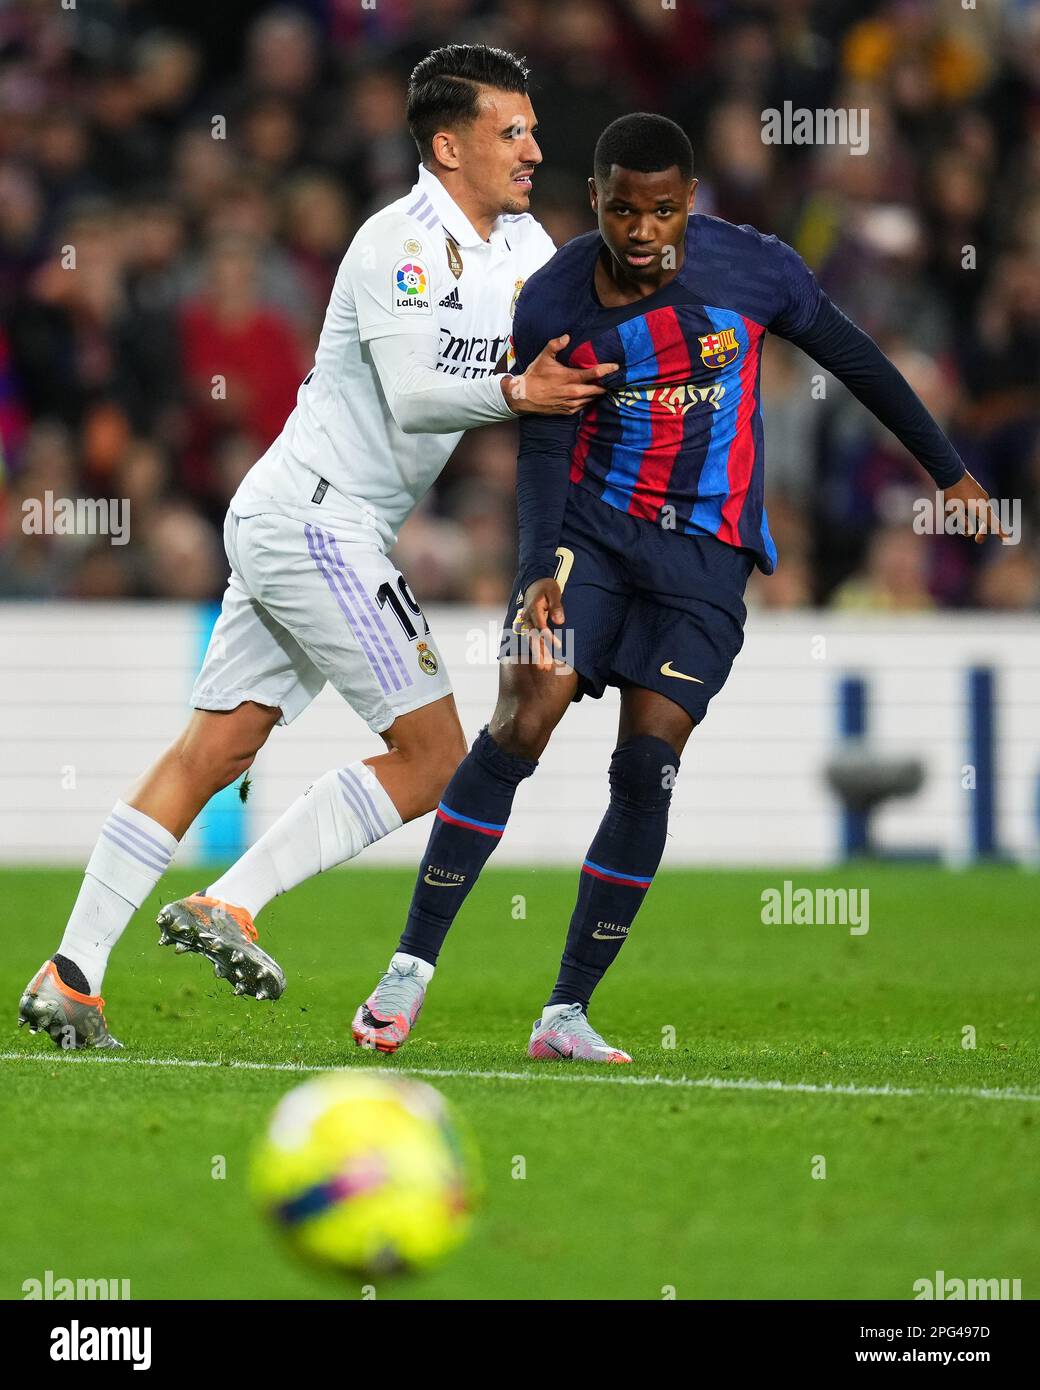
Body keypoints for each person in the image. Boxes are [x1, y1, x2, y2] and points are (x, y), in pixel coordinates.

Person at [351, 112, 1000, 1061]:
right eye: (623, 210)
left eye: (660, 210)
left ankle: (564, 1012)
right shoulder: (555, 299)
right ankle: (408, 970)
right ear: (598, 203)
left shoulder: (759, 270)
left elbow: (858, 362)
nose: (642, 230)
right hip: (589, 537)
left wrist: (949, 471)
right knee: (524, 714)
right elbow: (543, 444)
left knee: (648, 768)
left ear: (689, 201)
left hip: (706, 556)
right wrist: (534, 569)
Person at [18, 44, 616, 1050]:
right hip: (316, 518)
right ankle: (235, 900)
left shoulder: (526, 248)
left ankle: (71, 973)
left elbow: (578, 354)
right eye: (509, 130)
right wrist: (517, 391)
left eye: (530, 127)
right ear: (447, 143)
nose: (532, 147)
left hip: (312, 521)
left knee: (216, 747)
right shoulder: (396, 242)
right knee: (431, 756)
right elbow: (417, 395)